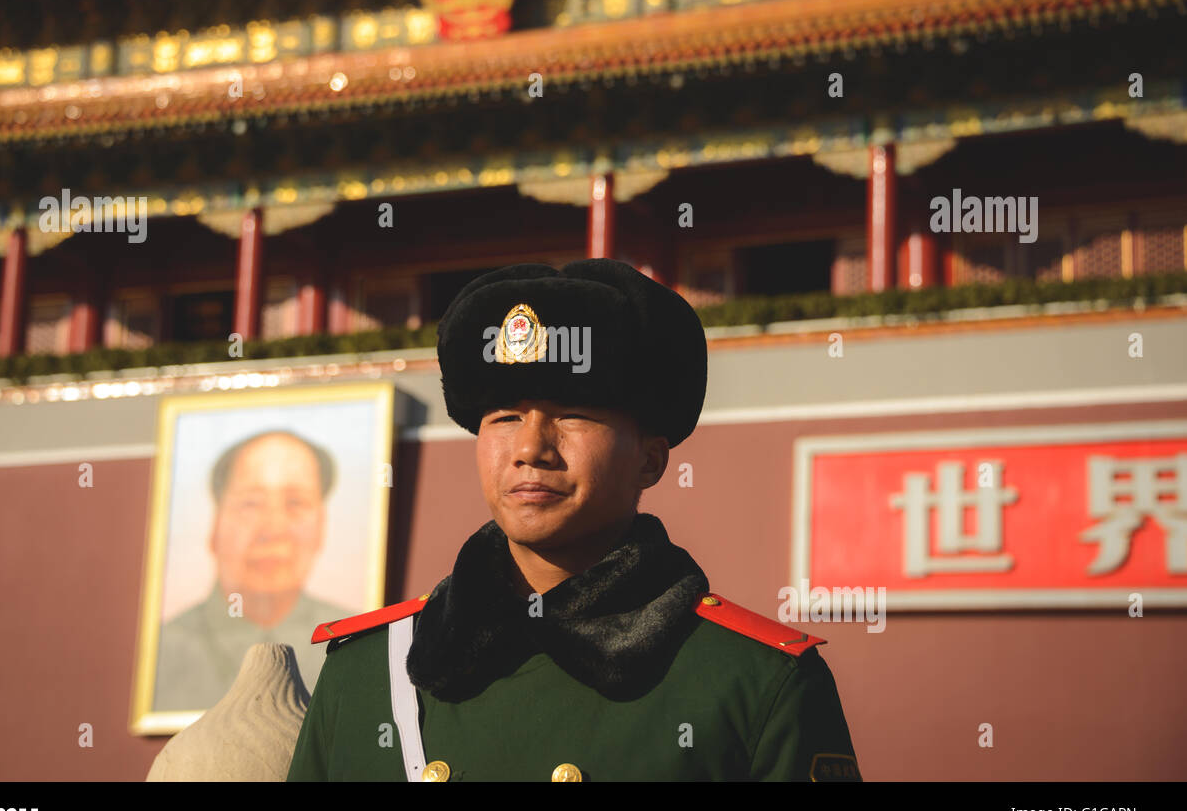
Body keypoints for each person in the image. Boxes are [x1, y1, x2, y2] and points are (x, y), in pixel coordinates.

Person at [287, 259, 860, 781]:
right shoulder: (366, 674)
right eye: (506, 415)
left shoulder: (755, 683)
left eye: (574, 415)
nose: (531, 447)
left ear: (651, 460)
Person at [153, 430, 349, 711]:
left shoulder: (349, 644)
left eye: (295, 503)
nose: (272, 530)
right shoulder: (167, 649)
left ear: (321, 527)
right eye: (251, 503)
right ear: (215, 523)